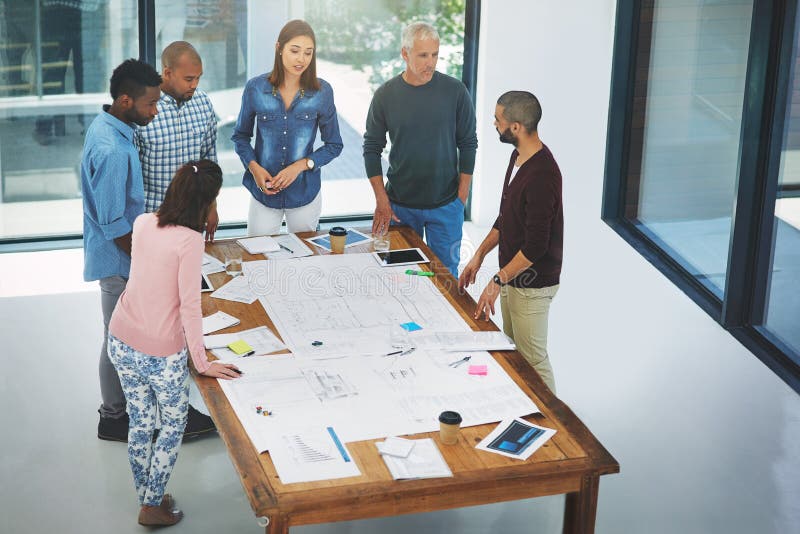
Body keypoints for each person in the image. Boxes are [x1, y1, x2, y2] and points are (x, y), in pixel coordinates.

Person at [108, 160, 241, 526]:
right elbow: (189, 305)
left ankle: (148, 497)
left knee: (140, 422)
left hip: (120, 338)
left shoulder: (143, 223)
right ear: (207, 201)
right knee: (173, 423)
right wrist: (201, 362)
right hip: (159, 354)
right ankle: (151, 505)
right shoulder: (190, 241)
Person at [459, 91, 563, 393]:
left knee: (533, 360)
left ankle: (556, 429)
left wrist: (496, 280)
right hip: (512, 278)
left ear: (515, 127)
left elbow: (535, 247)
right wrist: (479, 254)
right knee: (515, 354)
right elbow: (507, 217)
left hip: (533, 284)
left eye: (498, 119)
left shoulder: (543, 175)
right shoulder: (518, 158)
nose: (494, 124)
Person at [81, 59, 161, 442]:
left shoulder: (109, 126)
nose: (155, 111)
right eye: (150, 104)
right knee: (117, 340)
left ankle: (125, 406)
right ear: (126, 100)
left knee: (121, 336)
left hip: (120, 256)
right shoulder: (112, 149)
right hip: (118, 262)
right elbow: (114, 222)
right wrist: (147, 263)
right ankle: (112, 418)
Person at [363, 22, 478, 278]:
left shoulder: (455, 91)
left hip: (446, 205)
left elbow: (468, 143)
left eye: (435, 54)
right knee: (399, 275)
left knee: (445, 277)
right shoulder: (385, 95)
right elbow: (371, 148)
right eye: (423, 55)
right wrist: (382, 200)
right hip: (400, 207)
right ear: (405, 54)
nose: (431, 62)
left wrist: (461, 197)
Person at [231, 19, 343, 236]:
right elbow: (240, 137)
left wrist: (302, 165)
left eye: (308, 53)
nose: (302, 59)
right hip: (264, 194)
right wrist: (254, 168)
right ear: (279, 48)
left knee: (304, 261)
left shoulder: (322, 92)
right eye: (295, 50)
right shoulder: (255, 88)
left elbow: (334, 145)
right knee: (257, 258)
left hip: (304, 194)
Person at [134, 40, 219, 241]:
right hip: (153, 221)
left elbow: (209, 162)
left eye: (198, 78)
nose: (195, 85)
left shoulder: (203, 103)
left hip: (193, 219)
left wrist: (212, 205)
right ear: (167, 73)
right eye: (189, 79)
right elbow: (132, 177)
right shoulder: (144, 108)